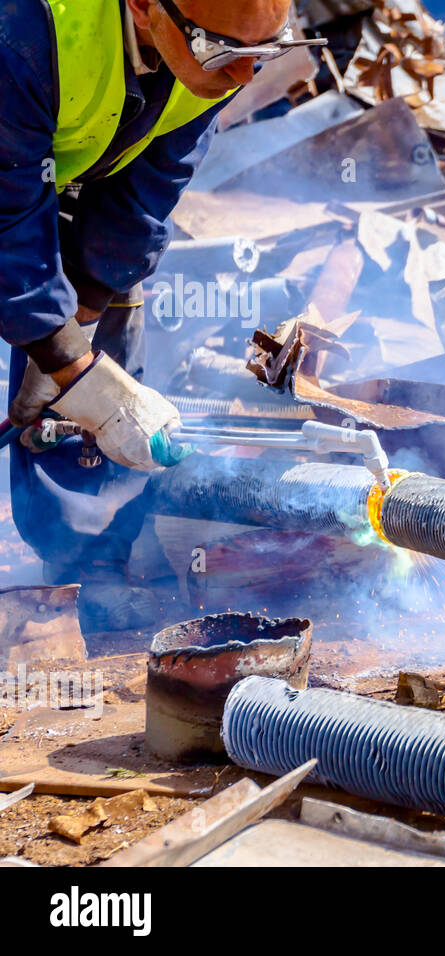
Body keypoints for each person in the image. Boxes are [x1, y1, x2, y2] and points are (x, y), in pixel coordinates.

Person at [0, 0, 320, 630]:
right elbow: (7, 219)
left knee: (112, 309)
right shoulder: (25, 30)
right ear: (145, 9)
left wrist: (83, 334)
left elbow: (142, 198)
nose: (244, 80)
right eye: (225, 53)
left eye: (264, 55)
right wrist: (66, 363)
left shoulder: (219, 52)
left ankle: (86, 565)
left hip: (58, 174)